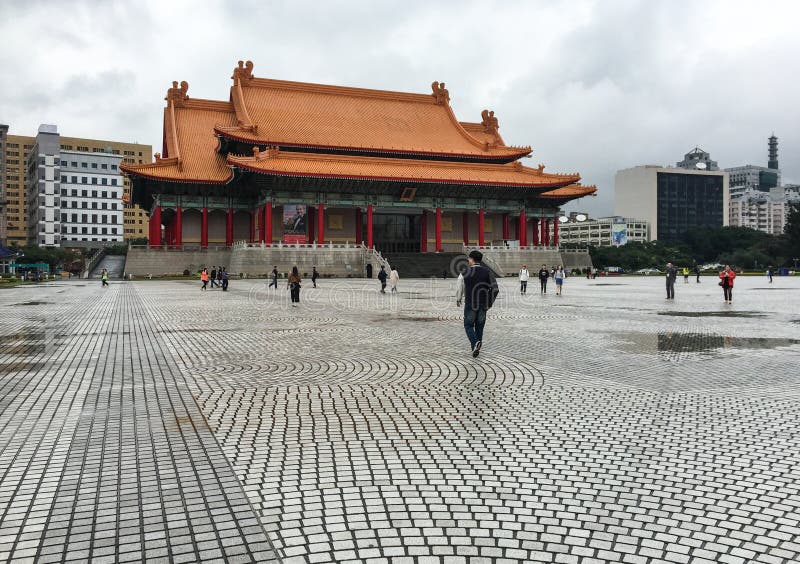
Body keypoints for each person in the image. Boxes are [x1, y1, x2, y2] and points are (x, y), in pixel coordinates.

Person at [455, 250, 499, 358]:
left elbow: (459, 287)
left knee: (468, 325)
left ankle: (475, 343)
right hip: (483, 304)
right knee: (479, 326)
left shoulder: (464, 272)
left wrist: (458, 299)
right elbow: (495, 289)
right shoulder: (488, 271)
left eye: (469, 258)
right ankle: (476, 348)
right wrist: (489, 303)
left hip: (470, 303)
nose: (468, 260)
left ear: (472, 259)